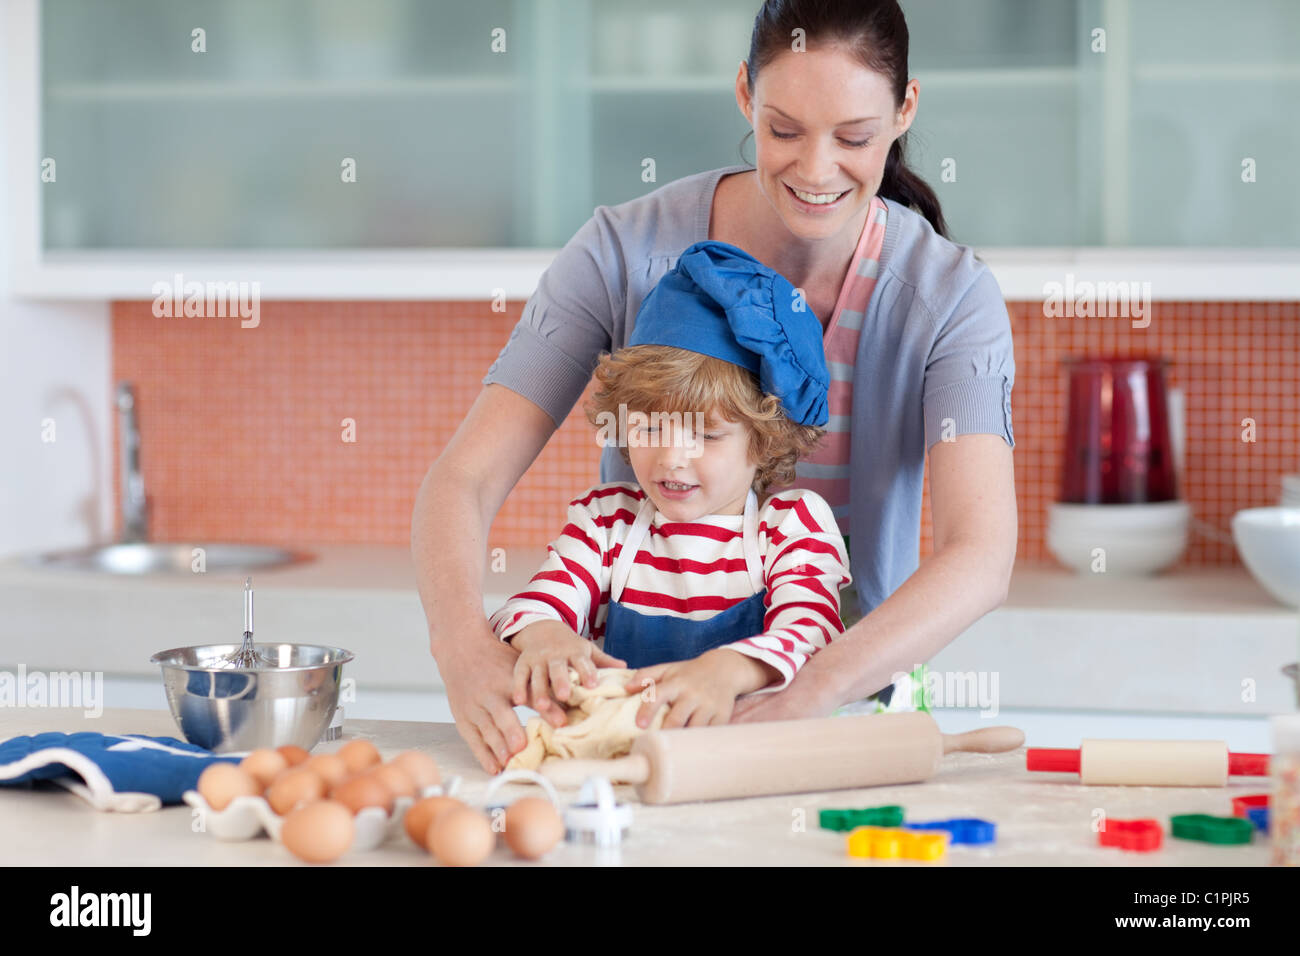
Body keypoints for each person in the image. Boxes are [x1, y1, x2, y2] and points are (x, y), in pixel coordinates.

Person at [414, 0, 1018, 774]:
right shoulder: (620, 253)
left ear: (905, 111)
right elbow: (463, 477)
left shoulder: (948, 297)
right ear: (744, 95)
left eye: (855, 137)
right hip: (645, 713)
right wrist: (467, 649)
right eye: (784, 129)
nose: (815, 169)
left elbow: (980, 556)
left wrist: (803, 693)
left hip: (849, 703)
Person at [487, 240, 851, 730]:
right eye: (649, 427)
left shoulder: (789, 528)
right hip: (633, 765)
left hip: (750, 762)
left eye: (705, 434)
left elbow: (811, 631)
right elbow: (532, 606)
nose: (672, 458)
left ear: (766, 440)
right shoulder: (606, 524)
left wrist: (727, 671)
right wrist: (546, 636)